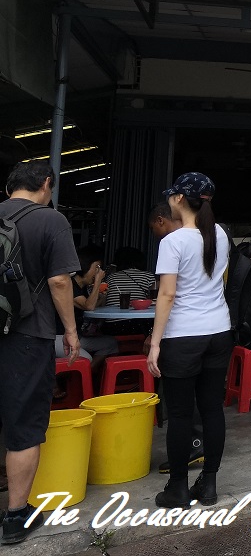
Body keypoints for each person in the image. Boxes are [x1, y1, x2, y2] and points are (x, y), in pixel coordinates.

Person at [0, 161, 80, 546]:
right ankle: (16, 516)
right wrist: (69, 329)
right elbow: (60, 280)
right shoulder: (50, 220)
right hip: (27, 336)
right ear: (46, 183)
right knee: (24, 425)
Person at [146, 172, 232, 509]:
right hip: (218, 332)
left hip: (183, 336)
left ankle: (178, 488)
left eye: (172, 196)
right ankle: (208, 484)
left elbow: (166, 294)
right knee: (212, 409)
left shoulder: (173, 241)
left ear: (180, 199)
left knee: (180, 415)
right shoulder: (221, 235)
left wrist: (155, 343)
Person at [54, 245, 118, 368]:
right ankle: (64, 382)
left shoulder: (81, 287)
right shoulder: (69, 285)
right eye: (97, 268)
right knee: (85, 359)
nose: (99, 272)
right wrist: (98, 282)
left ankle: (86, 378)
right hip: (59, 337)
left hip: (77, 337)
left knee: (111, 343)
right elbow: (88, 306)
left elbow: (91, 306)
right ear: (85, 265)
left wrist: (102, 296)